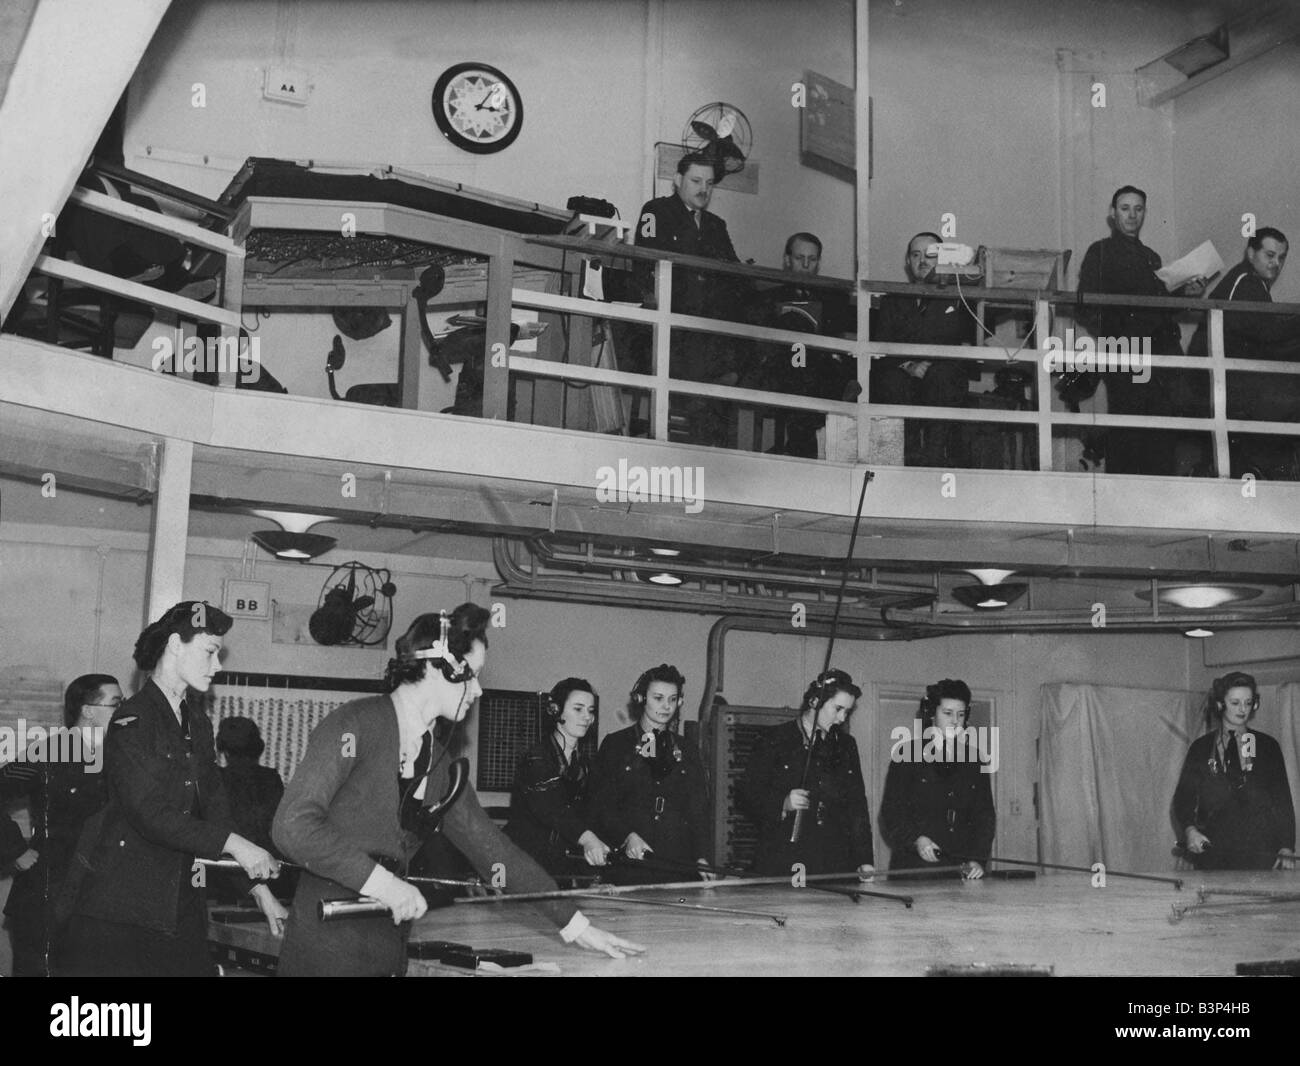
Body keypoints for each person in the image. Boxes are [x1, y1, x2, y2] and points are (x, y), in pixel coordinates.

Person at [272, 605, 642, 976]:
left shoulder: (442, 762)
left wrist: (577, 926)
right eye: (474, 675)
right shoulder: (355, 724)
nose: (479, 690)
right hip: (326, 939)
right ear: (439, 666)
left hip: (385, 942)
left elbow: (494, 852)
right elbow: (293, 826)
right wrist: (384, 884)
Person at [64, 603, 281, 976]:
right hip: (123, 912)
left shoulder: (196, 722)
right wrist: (236, 845)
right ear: (176, 645)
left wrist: (258, 888)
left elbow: (215, 810)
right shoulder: (133, 720)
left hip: (179, 902)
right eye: (210, 652)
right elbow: (150, 814)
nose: (217, 666)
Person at [1076, 185, 1209, 474]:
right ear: (1113, 214)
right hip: (1128, 353)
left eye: (1138, 209)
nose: (1132, 215)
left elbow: (1159, 308)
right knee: (1129, 429)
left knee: (1162, 431)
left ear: (1145, 213)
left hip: (1162, 355)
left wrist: (1187, 293)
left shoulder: (1151, 257)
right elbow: (1086, 306)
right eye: (1125, 208)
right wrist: (1118, 339)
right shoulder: (1100, 252)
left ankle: (1157, 505)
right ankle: (1123, 506)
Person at [0, 674, 120, 976]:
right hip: (46, 896)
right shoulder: (50, 751)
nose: (124, 712)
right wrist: (14, 850)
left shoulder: (121, 758)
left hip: (100, 899)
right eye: (116, 704)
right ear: (88, 710)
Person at [634, 152, 745, 446]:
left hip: (707, 330)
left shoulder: (716, 225)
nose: (703, 189)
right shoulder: (656, 211)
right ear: (678, 180)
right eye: (696, 181)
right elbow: (646, 267)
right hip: (671, 325)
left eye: (709, 183)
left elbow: (732, 273)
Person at [739, 669, 875, 879]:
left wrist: (865, 860)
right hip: (785, 858)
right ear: (814, 701)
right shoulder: (774, 740)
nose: (841, 718)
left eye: (847, 712)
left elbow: (857, 806)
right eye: (838, 709)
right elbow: (746, 795)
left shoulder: (846, 746)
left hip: (834, 860)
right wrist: (782, 802)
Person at [1189, 228, 1300, 478]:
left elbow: (1266, 335)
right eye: (1270, 255)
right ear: (1251, 253)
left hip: (1224, 382)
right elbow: (1269, 335)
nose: (1276, 264)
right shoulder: (1246, 282)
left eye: (1281, 258)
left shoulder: (1249, 280)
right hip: (1217, 384)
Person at [590, 664, 712, 884]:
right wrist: (626, 836)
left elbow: (699, 810)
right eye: (658, 698)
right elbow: (601, 805)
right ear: (641, 699)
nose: (666, 706)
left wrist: (702, 856)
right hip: (630, 864)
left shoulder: (688, 750)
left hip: (677, 866)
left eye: (672, 699)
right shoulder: (616, 745)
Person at [1172, 671, 1296, 871]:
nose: (1242, 709)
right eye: (1235, 702)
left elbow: (1282, 801)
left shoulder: (1267, 747)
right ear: (1220, 704)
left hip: (1261, 854)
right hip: (1214, 854)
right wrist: (1189, 830)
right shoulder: (1201, 748)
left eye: (1248, 703)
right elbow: (1183, 798)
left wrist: (1287, 846)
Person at [872, 232, 977, 466]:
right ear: (908, 262)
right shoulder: (893, 299)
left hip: (942, 373)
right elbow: (881, 345)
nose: (923, 261)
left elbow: (969, 338)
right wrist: (909, 365)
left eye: (931, 255)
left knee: (943, 377)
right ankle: (907, 456)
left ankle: (934, 457)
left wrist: (931, 362)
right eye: (916, 255)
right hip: (903, 374)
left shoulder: (958, 296)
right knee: (891, 382)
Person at [754, 232, 859, 457]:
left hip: (817, 369)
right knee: (797, 363)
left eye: (811, 260)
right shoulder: (768, 297)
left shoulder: (834, 297)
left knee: (810, 373)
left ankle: (792, 448)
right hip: (782, 368)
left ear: (818, 262)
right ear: (787, 260)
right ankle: (799, 447)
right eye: (800, 258)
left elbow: (838, 339)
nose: (805, 265)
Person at [879, 679, 995, 878]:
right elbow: (891, 812)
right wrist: (916, 839)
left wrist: (978, 859)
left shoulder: (975, 759)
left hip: (960, 869)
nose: (955, 721)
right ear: (932, 713)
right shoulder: (907, 754)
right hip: (915, 870)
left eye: (961, 714)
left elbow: (984, 816)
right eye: (947, 713)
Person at [504, 678, 612, 878]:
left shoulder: (585, 765)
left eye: (590, 710)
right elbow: (552, 809)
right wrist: (588, 840)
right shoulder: (536, 758)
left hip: (558, 865)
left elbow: (596, 812)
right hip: (522, 862)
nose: (587, 717)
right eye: (578, 709)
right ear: (556, 710)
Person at [209, 716, 293, 914]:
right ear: (257, 747)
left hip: (226, 881)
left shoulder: (217, 779)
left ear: (224, 750)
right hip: (274, 879)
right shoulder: (272, 779)